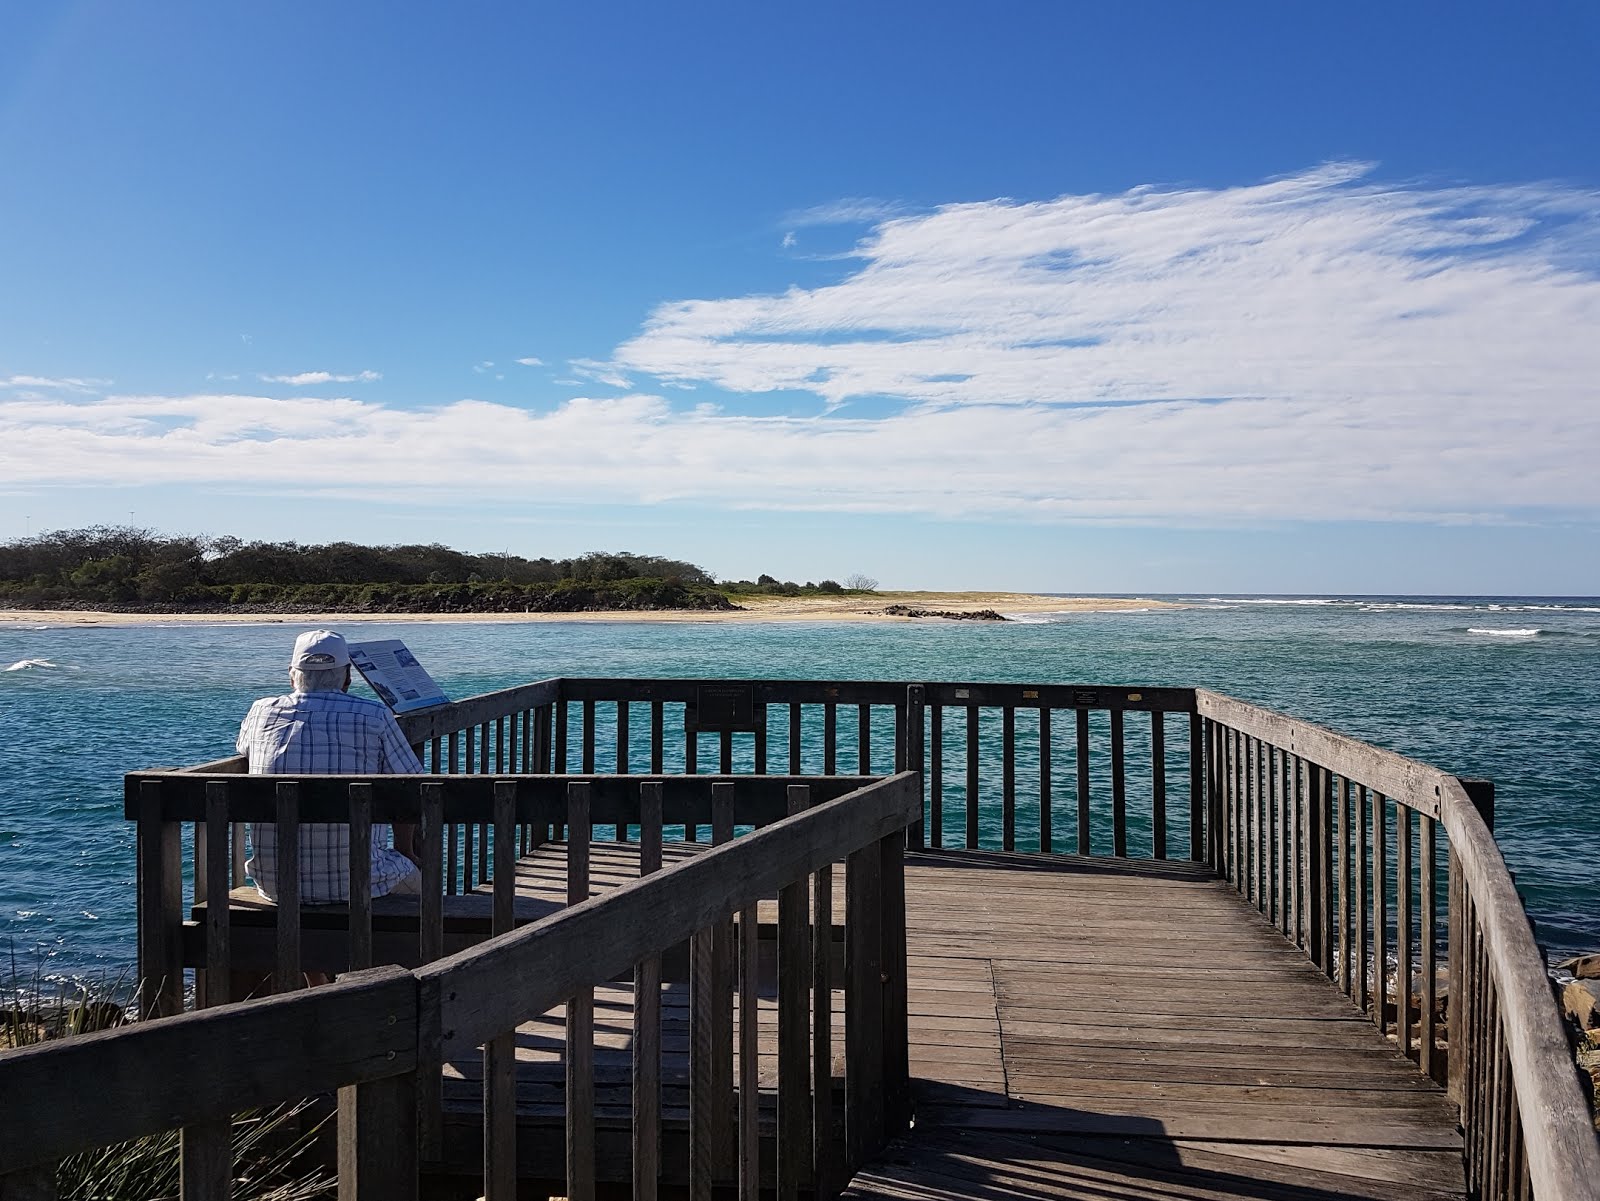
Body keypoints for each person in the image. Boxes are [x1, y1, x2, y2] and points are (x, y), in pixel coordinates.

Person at [238, 629, 424, 904]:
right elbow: (411, 788)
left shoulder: (261, 712)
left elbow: (244, 749)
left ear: (292, 674)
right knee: (421, 880)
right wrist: (405, 851)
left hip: (276, 883)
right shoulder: (373, 715)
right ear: (347, 677)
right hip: (360, 882)